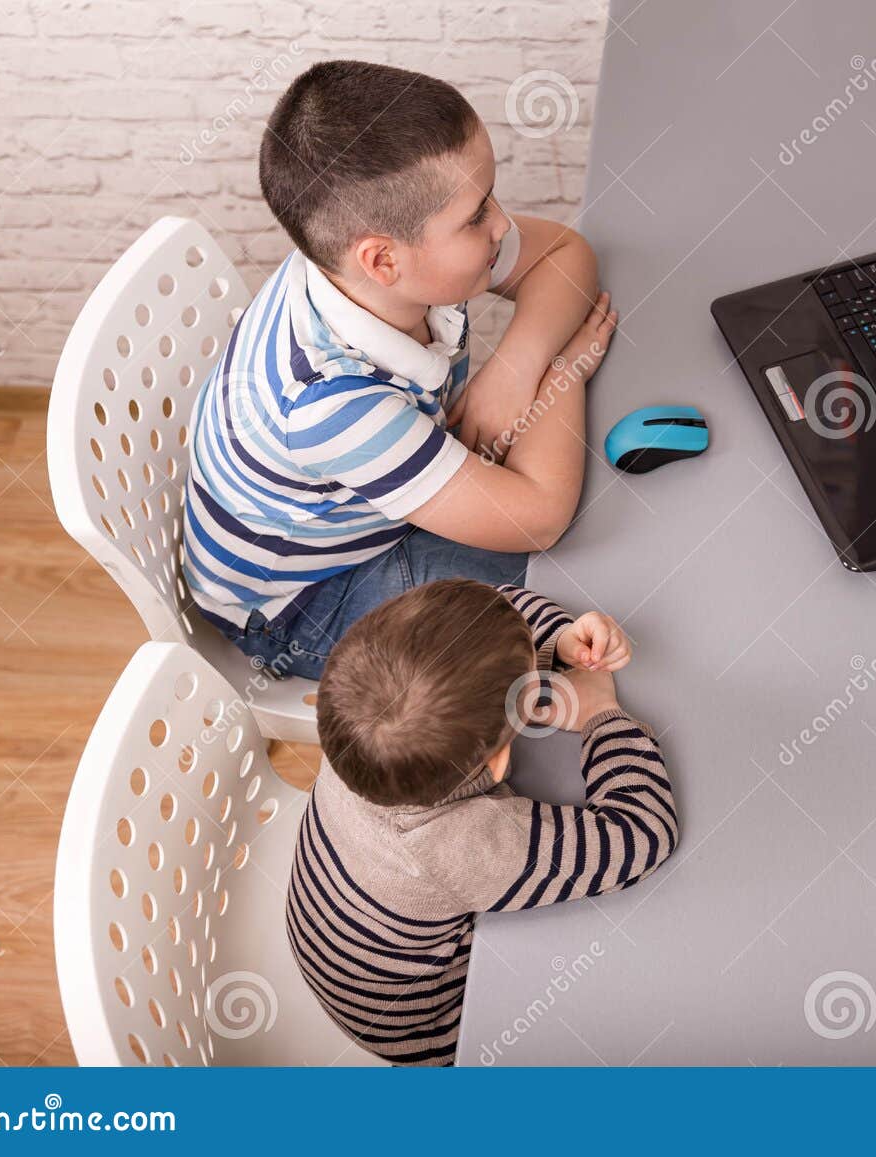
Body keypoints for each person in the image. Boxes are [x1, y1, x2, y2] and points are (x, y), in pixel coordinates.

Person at [183, 61, 616, 680]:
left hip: (357, 507)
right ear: (381, 259)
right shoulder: (329, 407)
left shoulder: (377, 268)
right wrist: (563, 371)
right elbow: (540, 519)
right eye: (475, 216)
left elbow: (565, 252)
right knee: (580, 585)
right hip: (309, 604)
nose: (501, 224)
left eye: (489, 195)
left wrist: (516, 366)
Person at [287, 579, 676, 1065]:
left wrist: (558, 643)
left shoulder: (355, 711)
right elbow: (643, 836)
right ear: (496, 764)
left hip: (340, 949)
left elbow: (498, 600)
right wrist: (601, 714)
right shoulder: (460, 847)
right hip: (437, 1028)